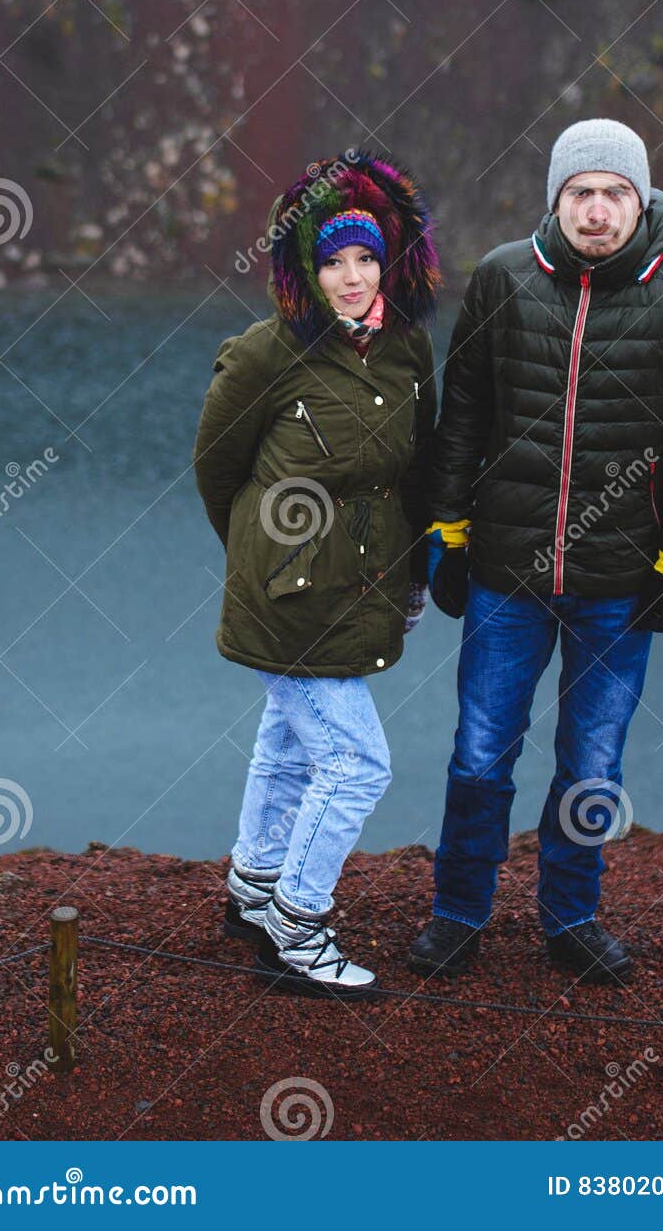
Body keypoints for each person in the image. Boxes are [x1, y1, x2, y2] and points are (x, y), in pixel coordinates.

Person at [410, 118, 663, 984]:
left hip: (621, 578)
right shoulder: (501, 279)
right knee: (481, 753)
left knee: (593, 762)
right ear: (555, 200)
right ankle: (458, 912)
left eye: (613, 194)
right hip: (507, 572)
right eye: (580, 193)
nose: (597, 211)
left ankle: (572, 916)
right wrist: (445, 530)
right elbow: (462, 421)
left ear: (643, 200)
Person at [192, 148, 440, 998]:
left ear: (391, 260)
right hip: (287, 596)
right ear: (306, 268)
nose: (351, 276)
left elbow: (415, 471)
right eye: (332, 260)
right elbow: (217, 469)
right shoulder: (267, 353)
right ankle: (297, 927)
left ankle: (254, 889)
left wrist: (412, 578)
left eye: (366, 257)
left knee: (290, 749)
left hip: (368, 586)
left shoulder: (407, 352)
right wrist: (264, 560)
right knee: (356, 764)